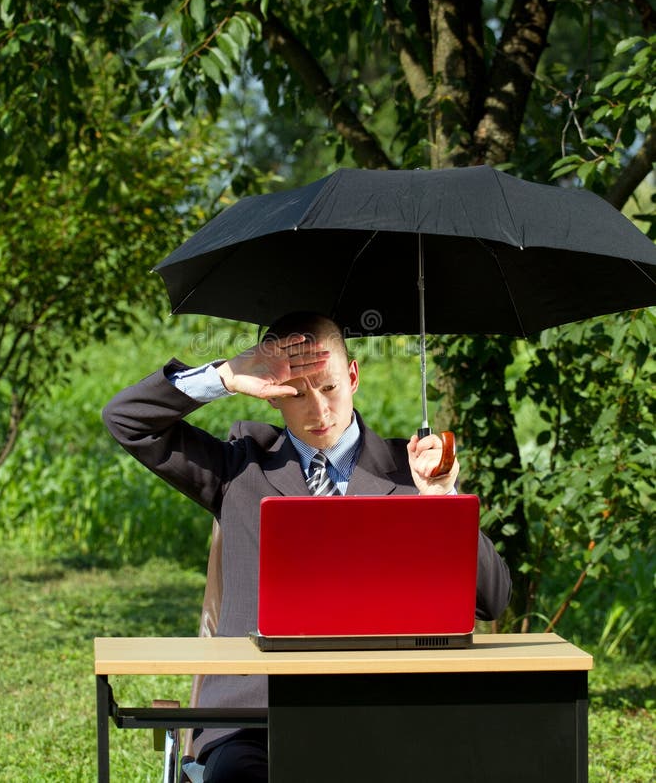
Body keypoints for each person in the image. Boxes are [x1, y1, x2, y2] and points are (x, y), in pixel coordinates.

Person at [103, 312, 511, 783]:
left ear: (353, 376)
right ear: (272, 393)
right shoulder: (239, 468)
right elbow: (127, 420)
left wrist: (441, 502)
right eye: (298, 393)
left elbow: (492, 599)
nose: (319, 411)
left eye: (330, 387)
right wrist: (224, 377)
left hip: (381, 715)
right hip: (253, 721)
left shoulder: (411, 472)